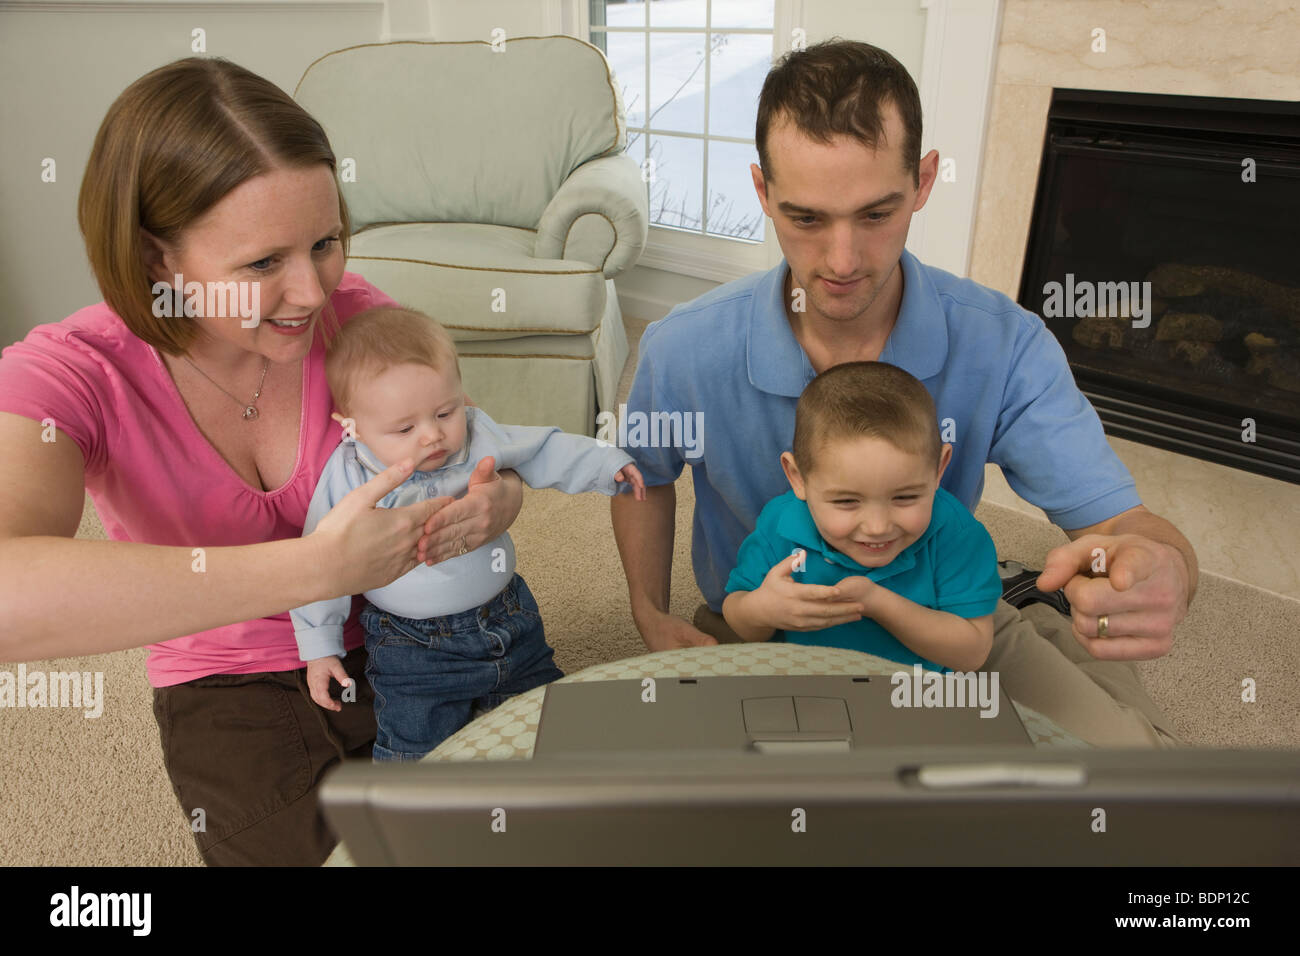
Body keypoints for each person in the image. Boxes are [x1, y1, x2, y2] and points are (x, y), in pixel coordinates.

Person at [0, 57, 527, 865]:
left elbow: (474, 453)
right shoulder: (70, 373)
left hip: (407, 630)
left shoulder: (360, 325)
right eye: (261, 264)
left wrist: (501, 502)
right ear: (156, 260)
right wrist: (315, 569)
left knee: (519, 834)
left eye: (325, 243)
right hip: (226, 681)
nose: (312, 293)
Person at [610, 40, 1195, 747]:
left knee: (1127, 772)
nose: (843, 261)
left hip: (949, 613)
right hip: (767, 621)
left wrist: (1165, 569)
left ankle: (1023, 604)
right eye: (807, 218)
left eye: (876, 213)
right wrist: (650, 611)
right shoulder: (684, 347)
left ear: (923, 182)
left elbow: (1119, 529)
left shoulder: (1006, 344)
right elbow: (644, 478)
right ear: (763, 193)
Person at [292, 306, 645, 760]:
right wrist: (320, 647)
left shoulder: (477, 434)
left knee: (561, 733)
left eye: (445, 411)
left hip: (509, 621)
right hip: (412, 651)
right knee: (413, 759)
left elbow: (542, 447)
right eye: (404, 428)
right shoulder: (348, 475)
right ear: (352, 426)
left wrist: (605, 462)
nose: (431, 436)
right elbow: (321, 561)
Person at [722, 362, 1001, 674]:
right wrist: (761, 610)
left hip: (916, 697)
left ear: (939, 469)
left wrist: (876, 603)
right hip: (806, 692)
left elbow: (972, 653)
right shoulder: (781, 524)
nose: (878, 527)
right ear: (797, 477)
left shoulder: (956, 534)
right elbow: (737, 615)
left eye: (905, 497)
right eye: (846, 501)